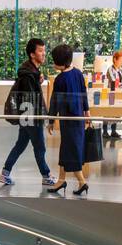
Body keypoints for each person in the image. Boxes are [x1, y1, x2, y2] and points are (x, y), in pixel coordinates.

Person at [0, 38, 56, 188]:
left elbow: (30, 92)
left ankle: (5, 173)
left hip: (27, 114)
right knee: (40, 147)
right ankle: (46, 175)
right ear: (32, 54)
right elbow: (30, 97)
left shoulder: (30, 71)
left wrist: (38, 81)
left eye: (44, 50)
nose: (44, 54)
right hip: (31, 114)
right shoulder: (29, 74)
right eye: (40, 51)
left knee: (21, 145)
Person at [46, 43, 91, 196]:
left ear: (60, 62)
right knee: (67, 149)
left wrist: (51, 121)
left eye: (54, 60)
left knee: (69, 150)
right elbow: (84, 94)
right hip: (77, 118)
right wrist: (87, 112)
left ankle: (82, 182)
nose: (53, 63)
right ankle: (62, 179)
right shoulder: (78, 74)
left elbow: (55, 101)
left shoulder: (60, 79)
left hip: (68, 120)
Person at [101, 50, 122, 139]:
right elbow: (113, 81)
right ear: (115, 59)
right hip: (110, 94)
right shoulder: (110, 69)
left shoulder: (119, 70)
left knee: (116, 112)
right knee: (107, 113)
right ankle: (104, 131)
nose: (121, 62)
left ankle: (113, 131)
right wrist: (121, 84)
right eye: (120, 60)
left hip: (117, 94)